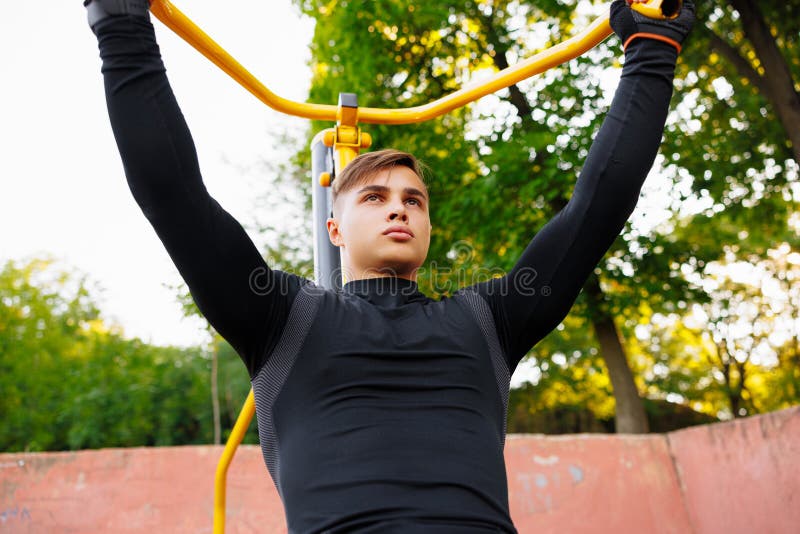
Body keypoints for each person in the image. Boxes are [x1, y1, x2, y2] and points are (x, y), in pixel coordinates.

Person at [84, 0, 694, 531]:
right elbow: (172, 193)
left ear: (429, 228)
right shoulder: (279, 318)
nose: (398, 209)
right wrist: (121, 25)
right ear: (335, 229)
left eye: (414, 200)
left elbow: (599, 204)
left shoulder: (489, 321)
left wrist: (652, 47)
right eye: (373, 198)